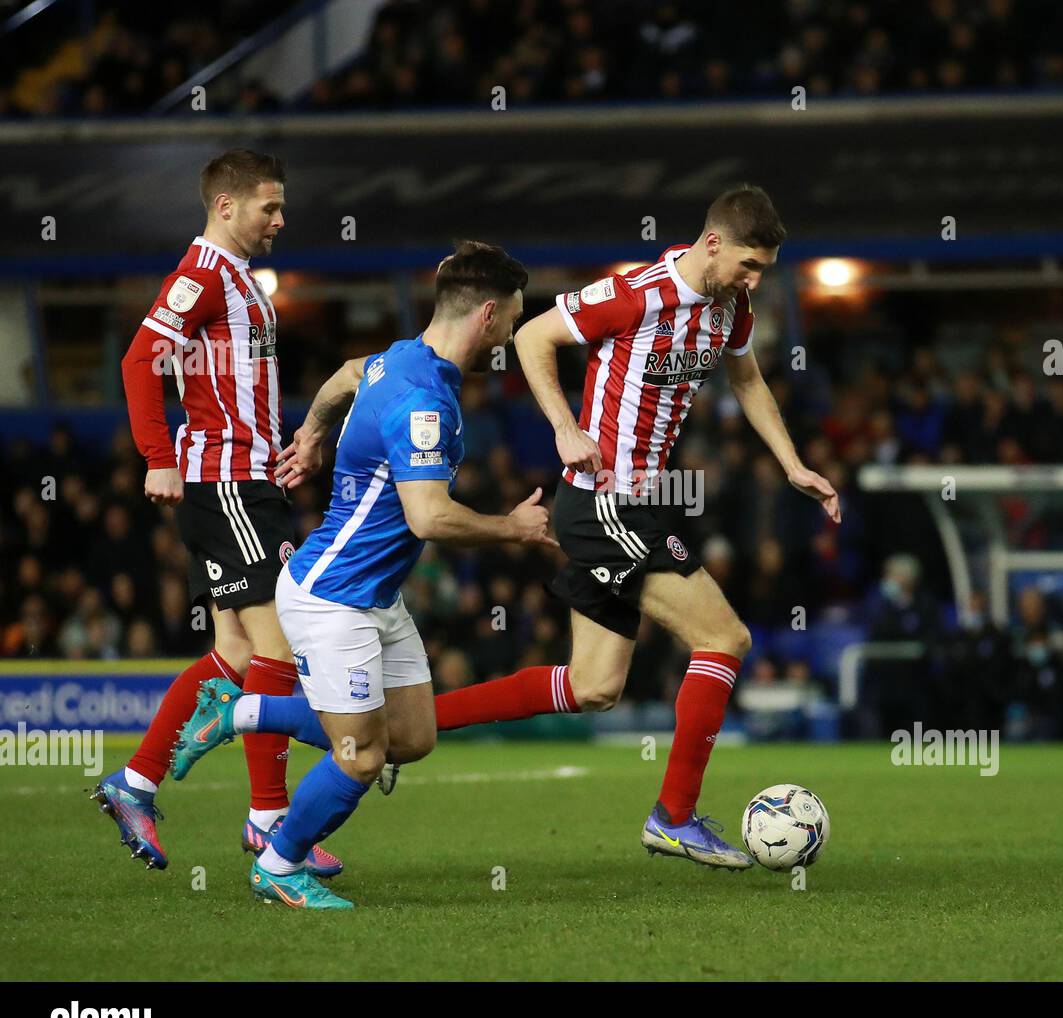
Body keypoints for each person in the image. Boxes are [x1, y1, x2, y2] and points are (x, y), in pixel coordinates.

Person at [429, 185, 840, 868]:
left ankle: (413, 723)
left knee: (593, 685)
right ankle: (673, 816)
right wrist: (564, 427)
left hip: (635, 504)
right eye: (748, 264)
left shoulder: (730, 307)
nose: (755, 280)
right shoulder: (637, 293)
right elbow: (534, 336)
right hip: (603, 503)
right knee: (725, 636)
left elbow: (746, 381)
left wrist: (793, 462)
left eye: (764, 269)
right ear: (712, 243)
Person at [172, 241, 552, 909]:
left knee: (412, 736)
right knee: (362, 754)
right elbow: (430, 517)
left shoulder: (401, 357)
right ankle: (279, 863)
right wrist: (511, 528)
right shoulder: (423, 400)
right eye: (515, 319)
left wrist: (314, 432)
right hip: (332, 598)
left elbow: (348, 373)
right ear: (488, 314)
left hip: (372, 596)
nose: (514, 332)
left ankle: (239, 711)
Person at [95, 149, 340, 876]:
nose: (280, 219)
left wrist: (291, 444)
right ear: (225, 206)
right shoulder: (203, 272)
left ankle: (135, 780)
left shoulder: (239, 281)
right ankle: (269, 820)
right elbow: (141, 361)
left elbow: (235, 387)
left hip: (249, 477)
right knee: (280, 649)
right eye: (269, 206)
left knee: (236, 656)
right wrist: (156, 453)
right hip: (225, 481)